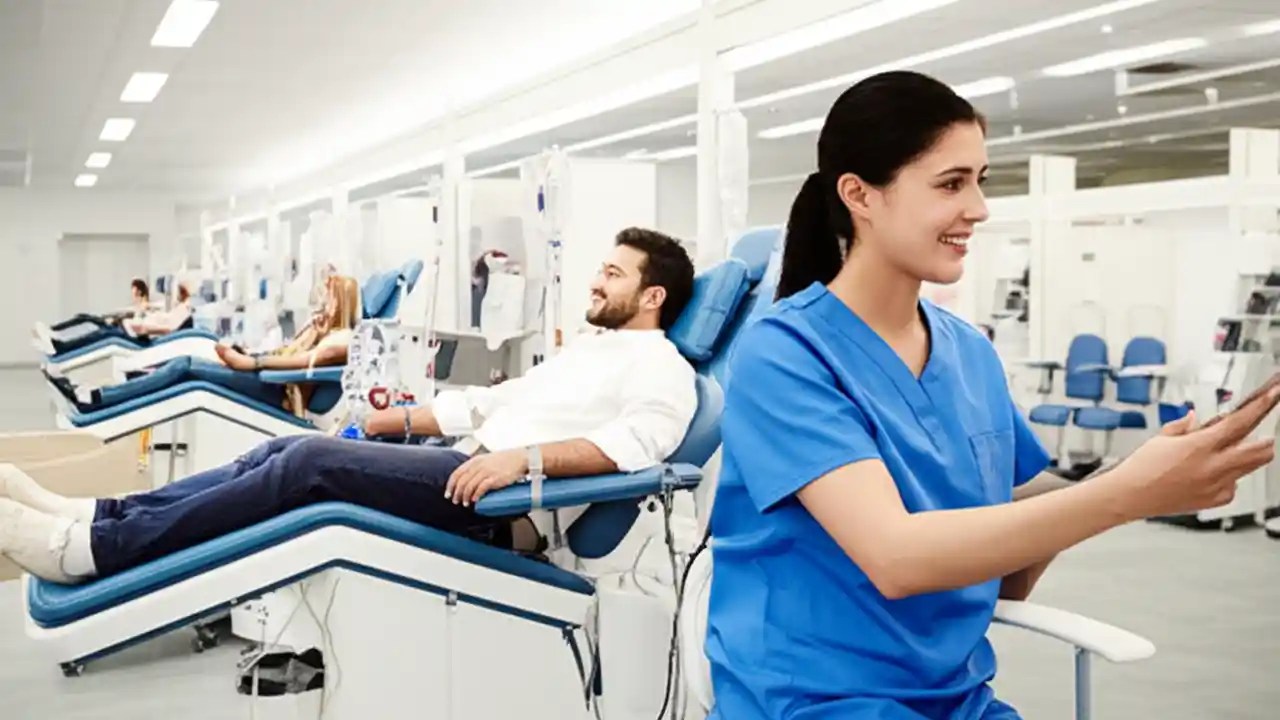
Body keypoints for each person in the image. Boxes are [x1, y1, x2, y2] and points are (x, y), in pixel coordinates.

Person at [703, 70, 1280, 720]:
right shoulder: (783, 353)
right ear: (860, 195)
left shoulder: (968, 352)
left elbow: (1010, 528)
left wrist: (1158, 468)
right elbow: (897, 557)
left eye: (981, 179)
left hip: (958, 700)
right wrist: (1126, 493)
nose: (978, 207)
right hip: (813, 700)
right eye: (951, 183)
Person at [0, 228, 698, 584]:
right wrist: (393, 419)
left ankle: (90, 552)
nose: (596, 280)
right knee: (276, 451)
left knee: (305, 461)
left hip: (503, 510)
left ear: (654, 296)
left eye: (613, 272)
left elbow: (641, 446)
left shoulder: (664, 369)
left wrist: (524, 460)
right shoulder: (585, 350)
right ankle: (102, 516)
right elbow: (488, 403)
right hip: (461, 463)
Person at [47, 275, 362, 418]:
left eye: (329, 298)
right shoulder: (321, 329)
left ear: (344, 302)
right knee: (186, 369)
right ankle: (102, 395)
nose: (322, 304)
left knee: (186, 367)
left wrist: (251, 363)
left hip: (277, 392)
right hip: (265, 378)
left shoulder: (344, 338)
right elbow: (295, 352)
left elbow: (303, 363)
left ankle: (98, 398)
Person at [37, 282, 195, 356]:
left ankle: (61, 345)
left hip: (139, 337)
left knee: (102, 335)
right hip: (132, 328)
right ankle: (60, 342)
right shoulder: (175, 308)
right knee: (96, 330)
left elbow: (170, 330)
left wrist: (147, 329)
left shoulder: (183, 312)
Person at [46, 279, 152, 336]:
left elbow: (136, 313)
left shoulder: (144, 304)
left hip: (116, 327)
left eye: (133, 288)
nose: (132, 291)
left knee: (84, 318)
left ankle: (54, 329)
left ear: (139, 290)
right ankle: (55, 329)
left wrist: (115, 315)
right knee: (83, 316)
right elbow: (127, 311)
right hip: (113, 323)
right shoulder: (137, 303)